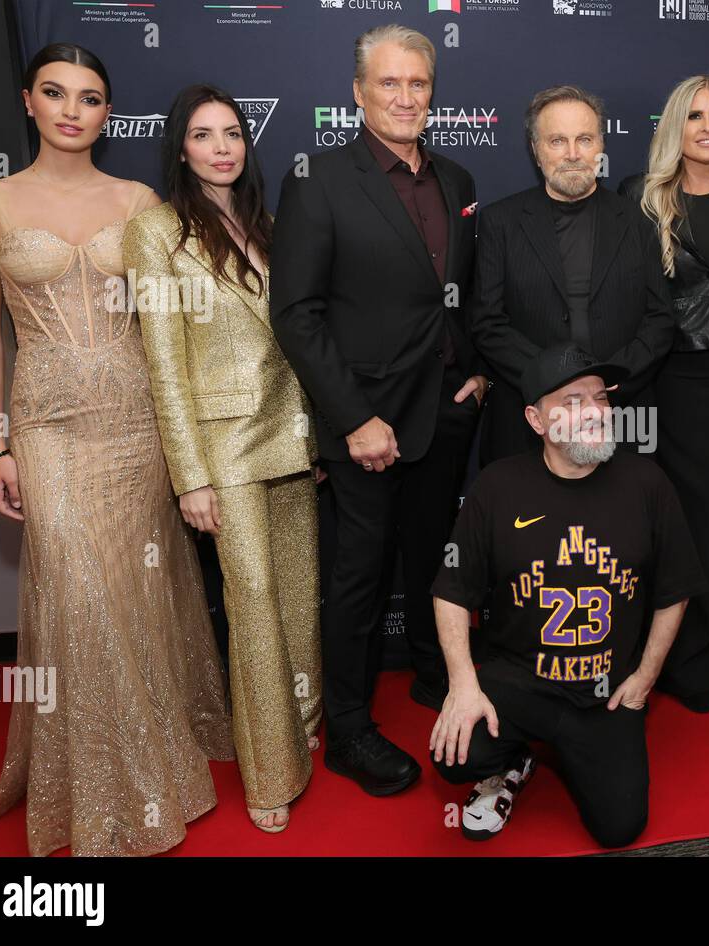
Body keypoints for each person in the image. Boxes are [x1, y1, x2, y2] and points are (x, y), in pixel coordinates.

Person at [0, 43, 233, 856]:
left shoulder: (140, 198)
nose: (73, 109)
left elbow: (166, 324)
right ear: (29, 102)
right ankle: (116, 786)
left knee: (132, 599)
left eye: (91, 97)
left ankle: (152, 757)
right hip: (44, 425)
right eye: (56, 93)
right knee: (77, 595)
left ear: (108, 113)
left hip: (137, 422)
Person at [270, 25, 485, 795]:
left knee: (436, 562)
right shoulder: (319, 178)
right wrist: (354, 418)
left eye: (418, 83)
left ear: (433, 90)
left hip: (444, 415)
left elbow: (455, 293)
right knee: (359, 583)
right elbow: (297, 313)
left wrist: (477, 372)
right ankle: (350, 732)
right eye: (389, 84)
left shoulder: (457, 181)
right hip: (364, 428)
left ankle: (437, 679)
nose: (405, 97)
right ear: (358, 93)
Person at [124, 84, 323, 833]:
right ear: (181, 147)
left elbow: (300, 335)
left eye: (232, 133)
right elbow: (163, 364)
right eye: (204, 135)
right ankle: (269, 772)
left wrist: (320, 437)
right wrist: (190, 477)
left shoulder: (272, 226)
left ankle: (303, 724)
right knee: (254, 606)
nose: (221, 146)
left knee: (301, 599)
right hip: (224, 446)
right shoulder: (155, 231)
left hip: (293, 433)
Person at [429, 342, 706, 847]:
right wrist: (463, 684)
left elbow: (675, 589)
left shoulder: (647, 483)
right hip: (519, 681)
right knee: (455, 754)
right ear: (536, 420)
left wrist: (644, 679)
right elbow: (451, 591)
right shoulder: (497, 487)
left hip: (602, 694)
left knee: (620, 826)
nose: (595, 411)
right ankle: (510, 761)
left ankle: (556, 752)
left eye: (600, 398)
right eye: (573, 401)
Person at [617, 75, 709, 713]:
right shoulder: (640, 199)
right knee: (660, 524)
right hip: (660, 384)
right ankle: (657, 656)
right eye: (695, 116)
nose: (707, 128)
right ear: (674, 126)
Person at [469, 85, 673, 464]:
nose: (573, 154)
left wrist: (610, 378)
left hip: (620, 413)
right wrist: (553, 381)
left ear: (601, 146)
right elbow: (487, 322)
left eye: (584, 139)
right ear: (536, 149)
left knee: (621, 520)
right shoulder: (501, 222)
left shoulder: (637, 220)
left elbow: (659, 317)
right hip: (529, 417)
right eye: (557, 141)